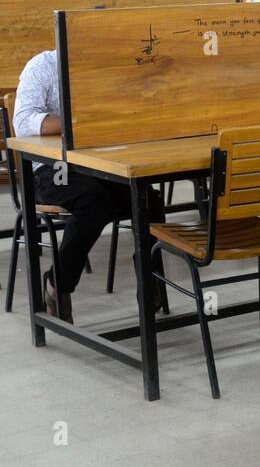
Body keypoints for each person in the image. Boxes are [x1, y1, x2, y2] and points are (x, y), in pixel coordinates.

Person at [12, 49, 161, 320]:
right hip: (51, 166)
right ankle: (58, 284)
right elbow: (22, 122)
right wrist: (79, 122)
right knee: (93, 203)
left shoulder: (108, 65)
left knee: (148, 198)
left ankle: (150, 281)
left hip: (100, 162)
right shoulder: (43, 66)